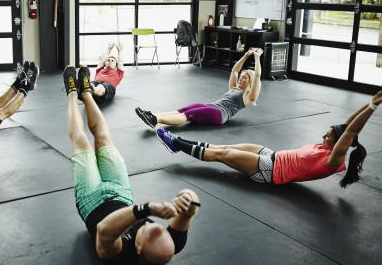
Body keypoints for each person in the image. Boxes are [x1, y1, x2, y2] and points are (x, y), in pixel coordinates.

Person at [64, 65, 200, 264]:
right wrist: (188, 201)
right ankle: (86, 93)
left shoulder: (121, 253)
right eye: (157, 225)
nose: (145, 224)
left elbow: (104, 231)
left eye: (144, 227)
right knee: (103, 138)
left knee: (81, 141)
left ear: (138, 248)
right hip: (121, 193)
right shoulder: (170, 244)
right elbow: (191, 208)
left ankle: (71, 93)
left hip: (91, 201)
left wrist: (146, 209)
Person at [155, 91, 381, 187]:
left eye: (329, 136)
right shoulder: (328, 145)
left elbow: (350, 133)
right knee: (222, 146)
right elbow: (348, 127)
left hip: (269, 172)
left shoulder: (333, 160)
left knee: (221, 155)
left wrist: (373, 107)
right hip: (271, 155)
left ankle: (176, 143)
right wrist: (373, 99)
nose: (324, 136)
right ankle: (178, 144)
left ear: (338, 145)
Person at [136, 48, 263, 128]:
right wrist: (246, 55)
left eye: (245, 77)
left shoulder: (247, 96)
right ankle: (150, 114)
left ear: (250, 82)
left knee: (186, 115)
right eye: (241, 76)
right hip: (211, 106)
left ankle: (155, 120)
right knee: (181, 110)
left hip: (219, 114)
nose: (241, 78)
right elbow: (235, 71)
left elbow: (257, 75)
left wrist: (257, 57)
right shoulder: (234, 88)